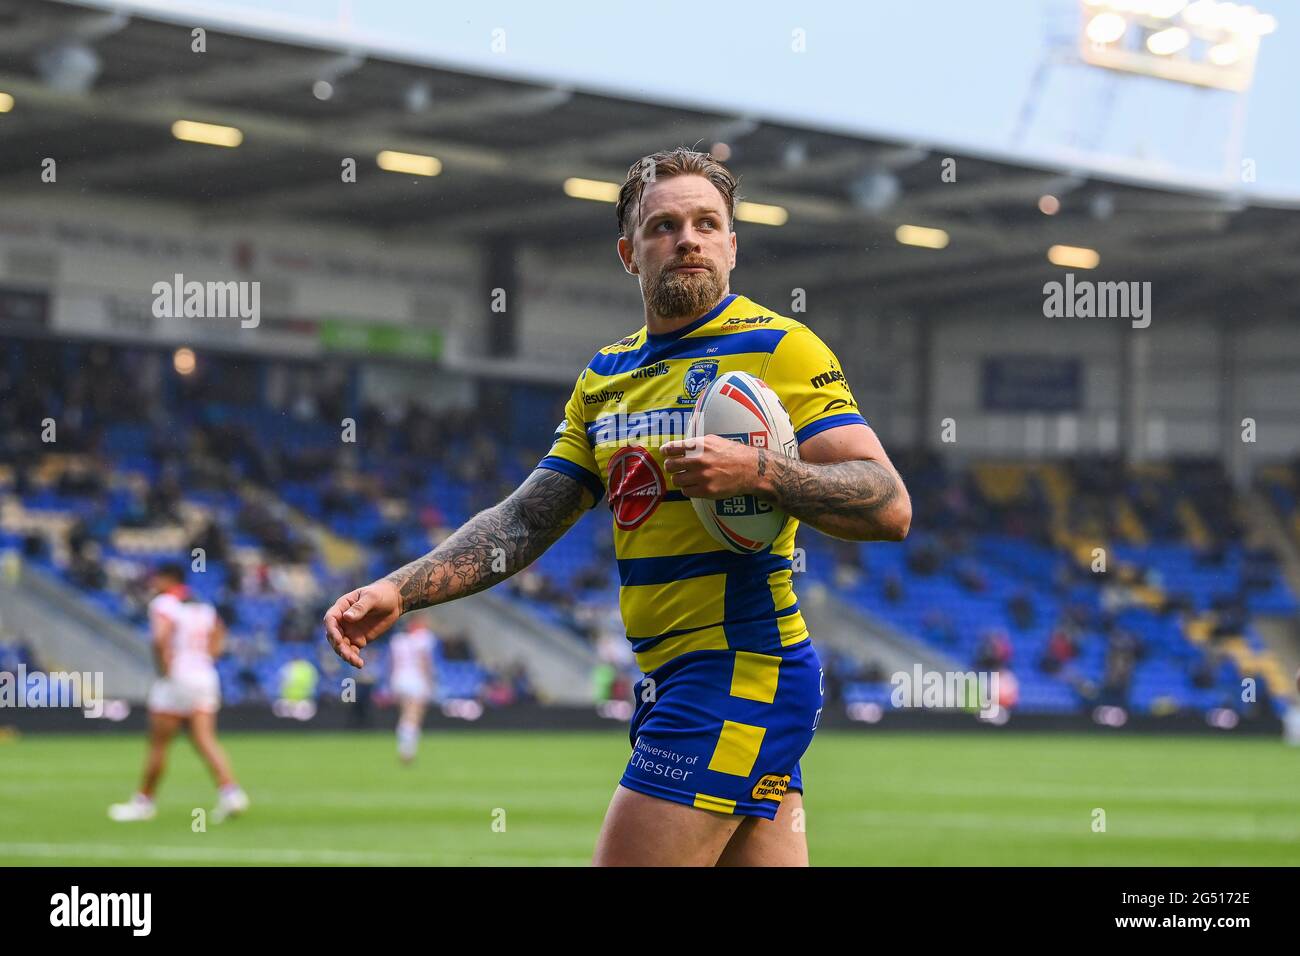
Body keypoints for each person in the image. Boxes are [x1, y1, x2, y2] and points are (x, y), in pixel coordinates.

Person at [324, 148, 911, 867]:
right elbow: (523, 521)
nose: (688, 238)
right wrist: (398, 589)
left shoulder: (778, 349)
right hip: (674, 678)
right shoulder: (604, 379)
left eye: (706, 223)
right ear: (630, 254)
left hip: (739, 670)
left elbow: (888, 503)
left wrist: (760, 468)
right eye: (665, 226)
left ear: (732, 244)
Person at [109, 563, 250, 823]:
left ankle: (144, 802)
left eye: (156, 579)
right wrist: (209, 657)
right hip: (205, 676)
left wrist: (164, 669)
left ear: (168, 579)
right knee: (205, 740)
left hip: (178, 677)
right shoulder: (202, 606)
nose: (153, 585)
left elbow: (160, 638)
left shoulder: (163, 604)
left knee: (159, 744)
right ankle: (232, 793)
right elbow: (219, 632)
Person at [388, 616, 437, 763]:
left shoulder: (397, 640)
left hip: (399, 678)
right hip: (415, 679)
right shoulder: (423, 638)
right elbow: (424, 662)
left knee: (405, 715)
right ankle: (407, 751)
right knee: (414, 716)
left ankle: (405, 748)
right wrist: (429, 681)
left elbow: (393, 663)